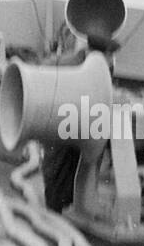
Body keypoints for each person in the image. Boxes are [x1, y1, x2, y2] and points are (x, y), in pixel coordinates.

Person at [40, 27, 120, 213]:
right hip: (59, 123)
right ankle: (53, 211)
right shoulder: (68, 64)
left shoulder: (95, 65)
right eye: (109, 55)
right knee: (57, 168)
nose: (111, 60)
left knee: (71, 167)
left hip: (79, 124)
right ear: (100, 53)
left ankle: (65, 206)